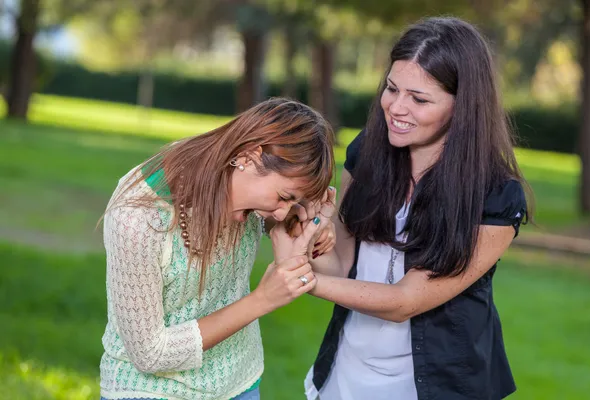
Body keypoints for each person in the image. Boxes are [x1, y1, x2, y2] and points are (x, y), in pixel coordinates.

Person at [271, 17, 532, 399]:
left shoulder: (494, 198)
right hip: (346, 375)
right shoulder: (367, 153)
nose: (396, 107)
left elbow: (405, 302)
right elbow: (342, 263)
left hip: (437, 387)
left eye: (419, 99)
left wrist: (301, 283)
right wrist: (301, 230)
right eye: (392, 89)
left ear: (464, 107)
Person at [99, 98, 336, 400]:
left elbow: (287, 221)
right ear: (249, 156)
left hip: (240, 384)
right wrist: (262, 300)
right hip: (149, 392)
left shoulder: (244, 189)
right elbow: (149, 355)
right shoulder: (139, 216)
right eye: (283, 197)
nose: (280, 212)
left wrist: (311, 226)